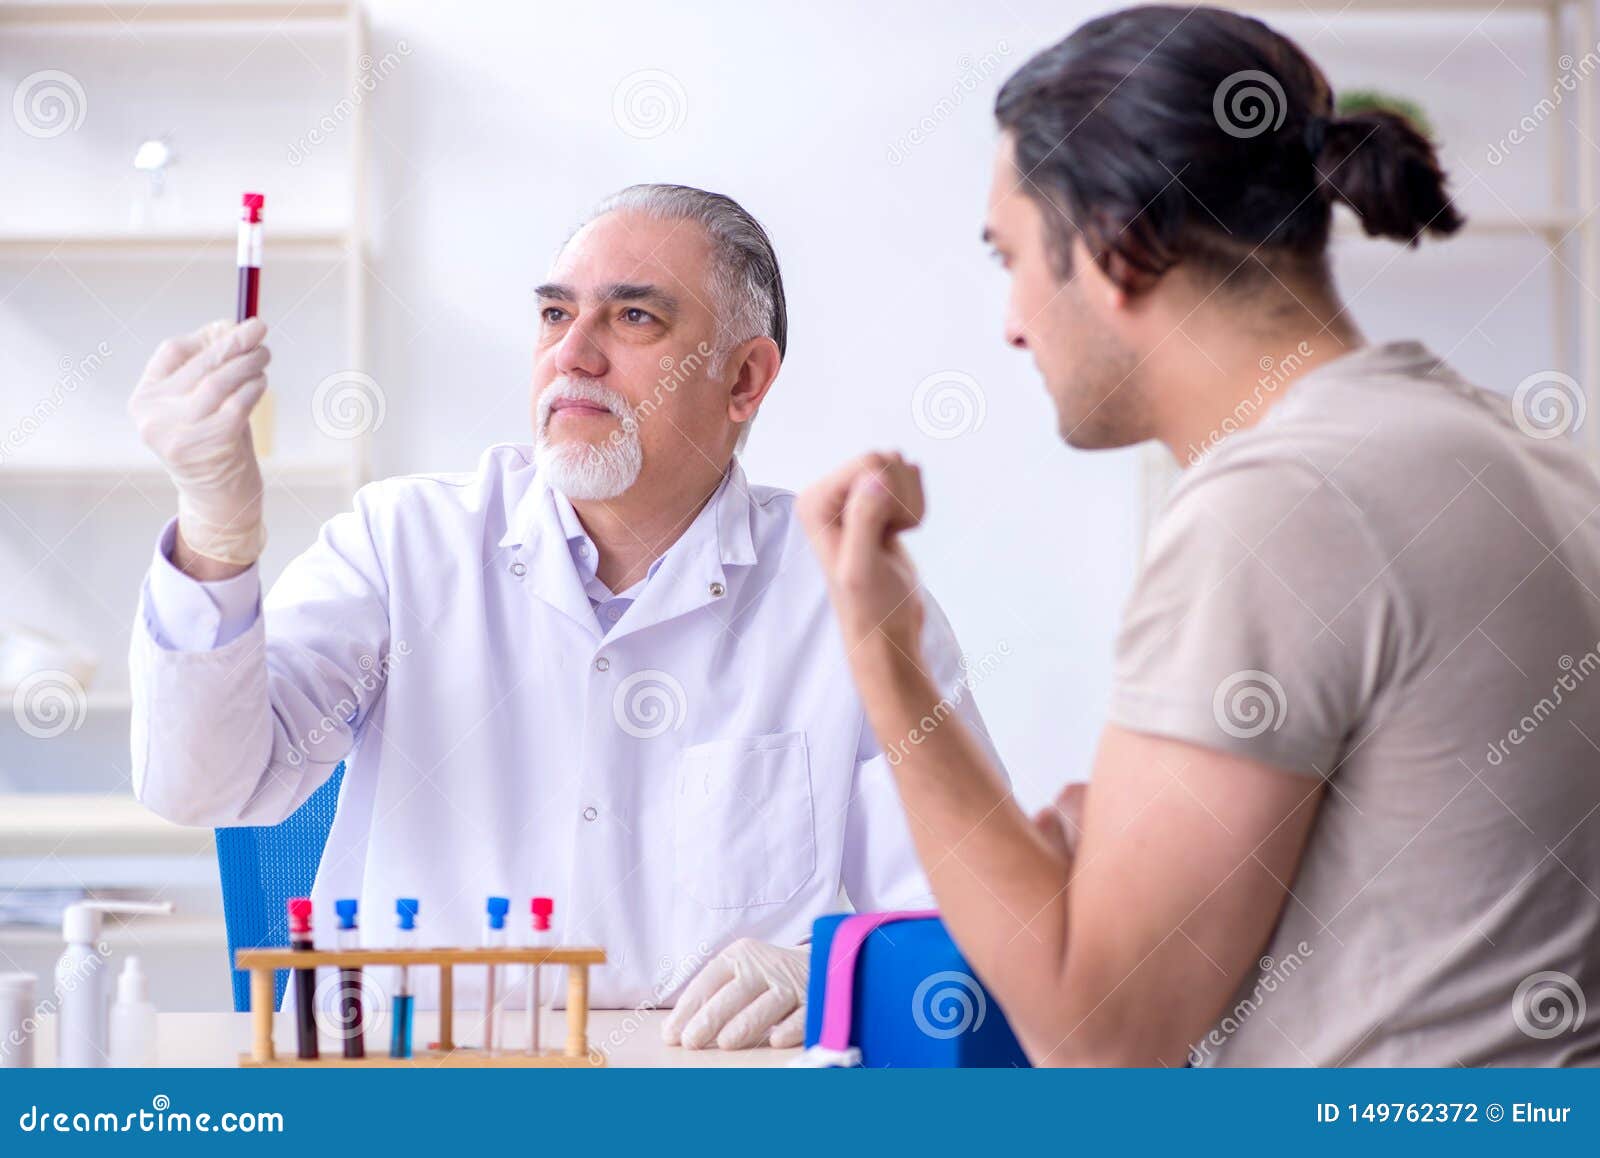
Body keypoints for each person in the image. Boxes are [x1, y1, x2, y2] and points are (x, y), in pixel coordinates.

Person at [798, 5, 1600, 1066]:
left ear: (1117, 245)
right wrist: (1128, 863)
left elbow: (1098, 1036)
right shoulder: (1520, 456)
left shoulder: (1285, 502)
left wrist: (880, 652)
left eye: (1012, 258)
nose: (1011, 323)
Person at [127, 184, 1000, 1048]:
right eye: (554, 315)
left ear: (743, 379)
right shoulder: (403, 546)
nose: (573, 355)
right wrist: (215, 535)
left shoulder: (847, 594)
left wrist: (839, 972)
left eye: (633, 320)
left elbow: (971, 918)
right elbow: (206, 786)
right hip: (415, 1082)